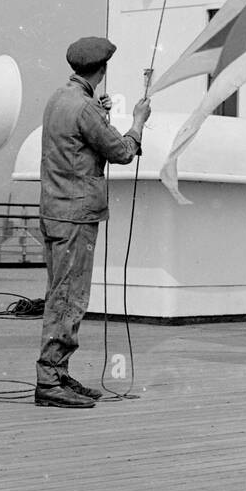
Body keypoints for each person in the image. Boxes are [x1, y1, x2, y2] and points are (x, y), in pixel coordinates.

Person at [35, 36, 152, 409]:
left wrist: (96, 111)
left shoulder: (59, 98)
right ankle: (50, 381)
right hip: (76, 216)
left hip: (55, 211)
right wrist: (137, 121)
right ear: (101, 69)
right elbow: (120, 151)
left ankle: (60, 375)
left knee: (60, 292)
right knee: (69, 298)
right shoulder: (84, 108)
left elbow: (76, 138)